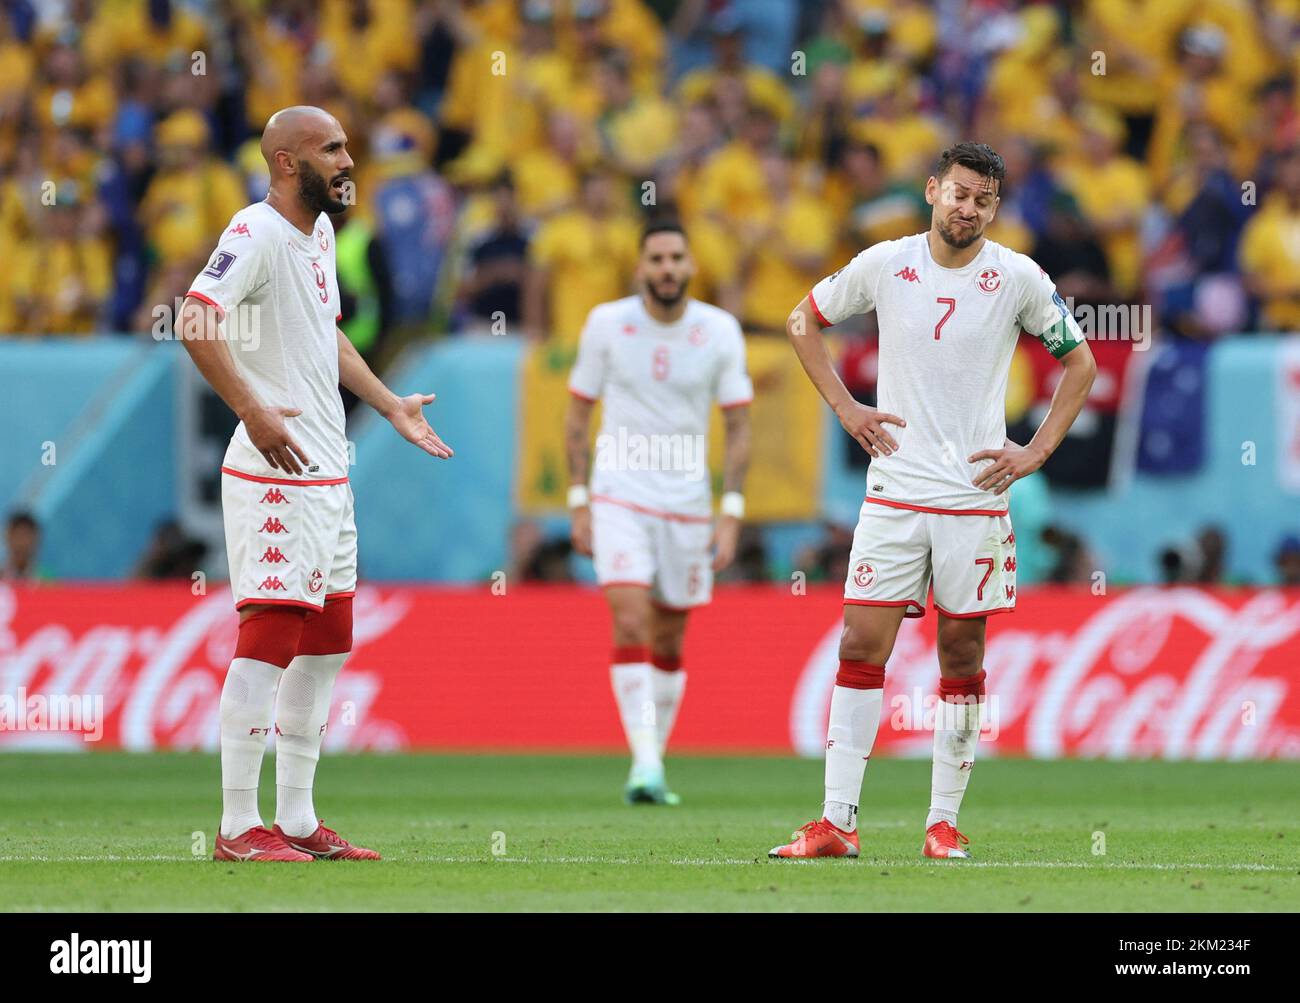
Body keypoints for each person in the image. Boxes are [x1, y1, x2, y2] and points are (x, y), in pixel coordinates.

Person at [769, 142, 1096, 860]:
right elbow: (801, 321)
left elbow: (1082, 362)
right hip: (895, 490)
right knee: (860, 644)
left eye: (982, 198)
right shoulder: (886, 264)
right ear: (931, 191)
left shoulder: (1017, 278)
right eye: (958, 192)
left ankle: (941, 823)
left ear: (995, 208)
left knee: (960, 652)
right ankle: (837, 822)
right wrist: (846, 407)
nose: (967, 207)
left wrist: (1034, 452)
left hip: (974, 495)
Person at [178, 106, 453, 863]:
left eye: (347, 147)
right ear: (287, 162)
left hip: (328, 468)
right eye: (331, 149)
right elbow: (196, 321)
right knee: (270, 635)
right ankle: (238, 826)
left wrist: (387, 400)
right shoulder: (255, 232)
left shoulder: (322, 233)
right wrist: (252, 409)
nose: (348, 161)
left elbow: (323, 331)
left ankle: (296, 819)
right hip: (277, 469)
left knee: (328, 641)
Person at [565, 219, 752, 804]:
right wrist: (578, 500)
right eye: (656, 259)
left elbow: (740, 426)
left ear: (691, 266)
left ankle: (654, 760)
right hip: (619, 492)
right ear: (640, 267)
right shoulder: (606, 323)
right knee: (629, 621)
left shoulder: (719, 330)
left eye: (676, 258)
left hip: (688, 504)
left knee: (670, 639)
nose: (667, 269)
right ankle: (644, 764)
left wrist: (731, 513)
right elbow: (576, 417)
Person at [1, 511, 41, 581]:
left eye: (26, 536)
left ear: (36, 540)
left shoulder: (47, 581)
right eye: (18, 536)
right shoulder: (1, 575)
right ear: (7, 537)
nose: (21, 543)